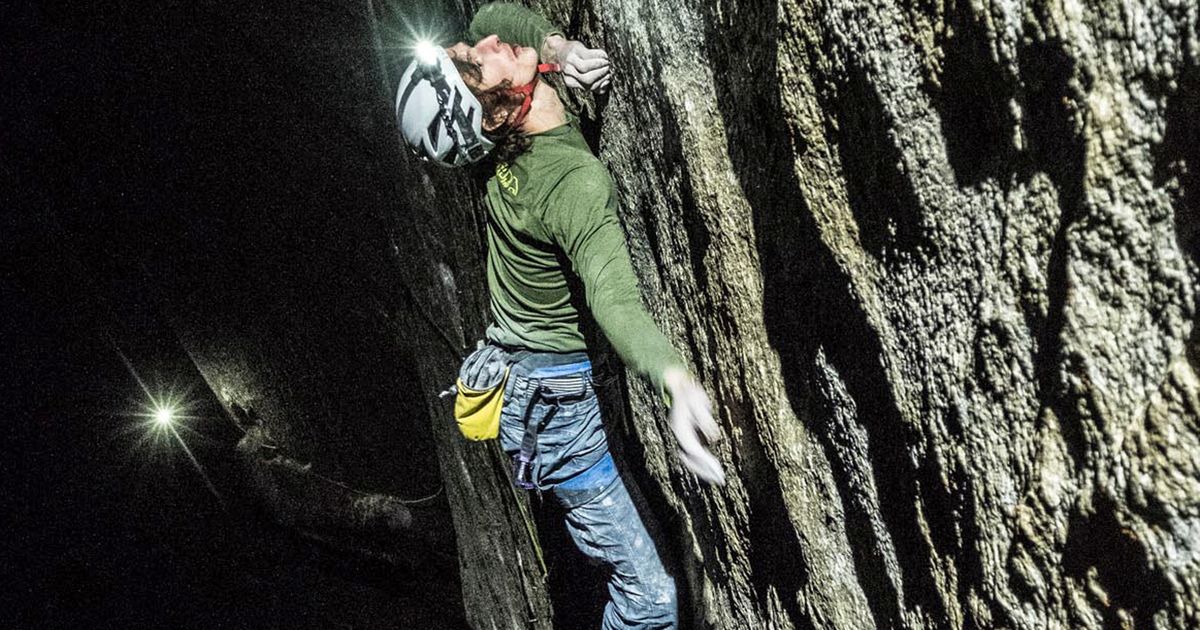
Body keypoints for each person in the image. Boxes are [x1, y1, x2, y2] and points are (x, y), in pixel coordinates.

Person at [395, 3, 724, 628]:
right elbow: (613, 298)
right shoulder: (571, 182)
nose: (488, 41)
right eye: (477, 63)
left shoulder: (493, 147)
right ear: (496, 113)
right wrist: (675, 379)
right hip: (559, 412)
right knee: (650, 600)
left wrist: (556, 48)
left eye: (467, 51)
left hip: (526, 380)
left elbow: (490, 15)